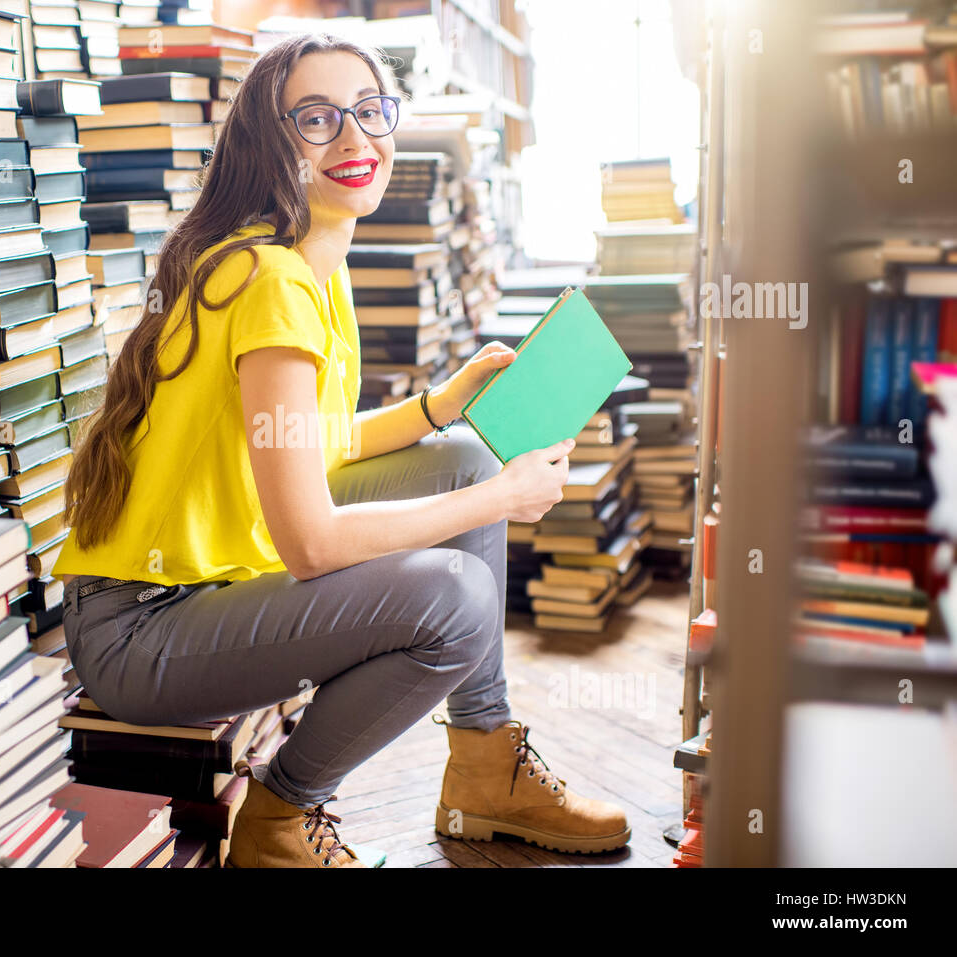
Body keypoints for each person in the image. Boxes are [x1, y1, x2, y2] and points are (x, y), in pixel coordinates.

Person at [54, 32, 631, 868]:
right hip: (141, 632)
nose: (356, 139)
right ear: (269, 143)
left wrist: (441, 403)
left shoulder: (311, 262)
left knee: (465, 455)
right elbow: (311, 542)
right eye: (318, 119)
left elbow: (309, 447)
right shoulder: (273, 280)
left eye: (368, 111)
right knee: (456, 597)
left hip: (199, 586)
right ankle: (282, 815)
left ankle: (483, 764)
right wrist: (504, 499)